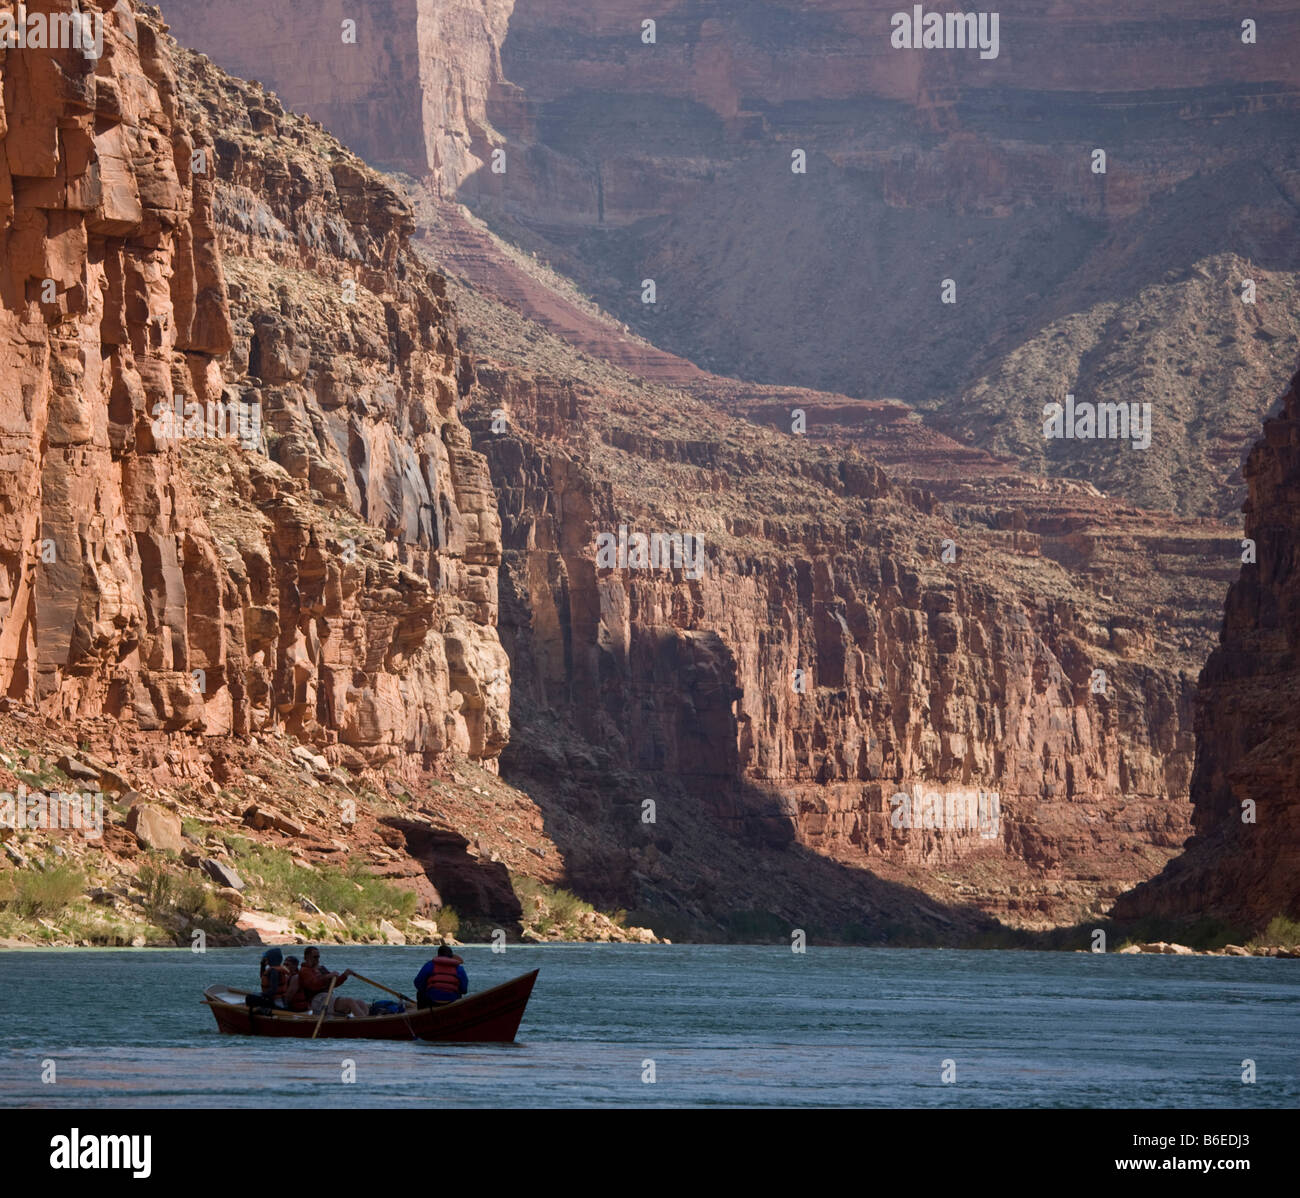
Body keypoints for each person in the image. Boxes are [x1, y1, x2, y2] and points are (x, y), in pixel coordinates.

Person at [298, 946, 368, 1017]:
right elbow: (313, 985)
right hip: (316, 1000)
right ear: (306, 957)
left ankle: (365, 1021)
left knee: (360, 1003)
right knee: (349, 1001)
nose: (317, 960)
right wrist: (327, 976)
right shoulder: (304, 971)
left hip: (327, 997)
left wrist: (344, 975)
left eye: (318, 957)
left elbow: (334, 983)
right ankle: (364, 1023)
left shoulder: (321, 969)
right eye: (315, 957)